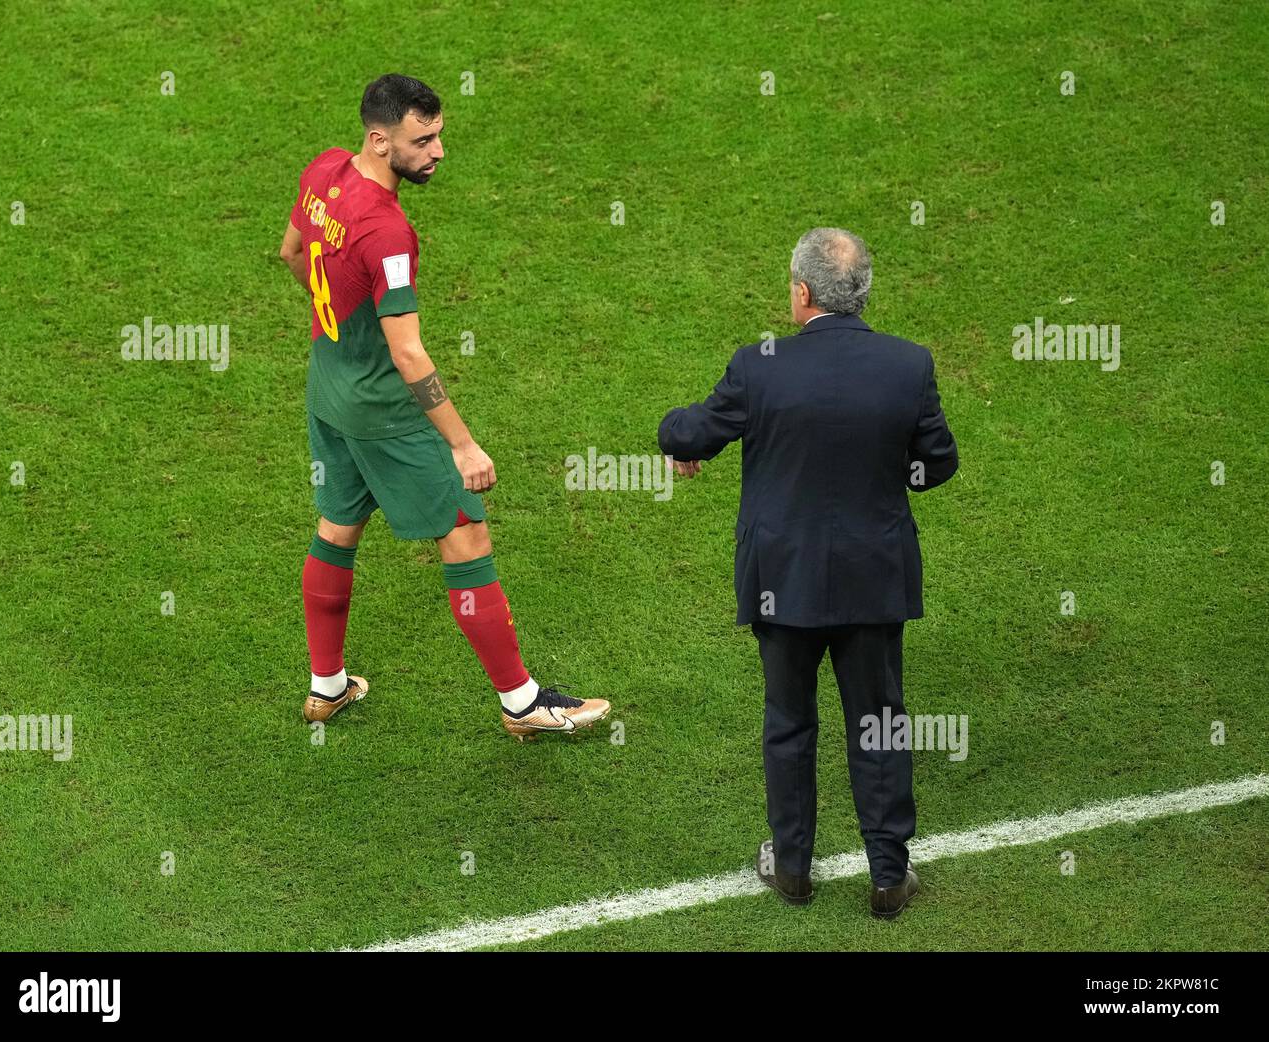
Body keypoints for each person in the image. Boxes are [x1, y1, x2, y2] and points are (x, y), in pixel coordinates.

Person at [279, 74, 609, 740]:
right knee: (466, 533)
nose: (437, 152)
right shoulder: (389, 232)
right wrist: (462, 443)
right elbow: (410, 356)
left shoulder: (322, 171)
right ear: (380, 140)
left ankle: (326, 688)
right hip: (383, 411)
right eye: (421, 140)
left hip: (328, 387)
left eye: (438, 135)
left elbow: (291, 252)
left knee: (338, 526)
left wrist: (344, 327)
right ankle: (522, 703)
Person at [658, 228, 958, 917]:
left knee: (789, 722)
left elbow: (692, 432)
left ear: (801, 292)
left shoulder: (760, 366)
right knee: (879, 724)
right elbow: (936, 464)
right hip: (873, 578)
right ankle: (888, 875)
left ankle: (791, 867)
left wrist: (679, 440)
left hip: (781, 580)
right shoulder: (907, 365)